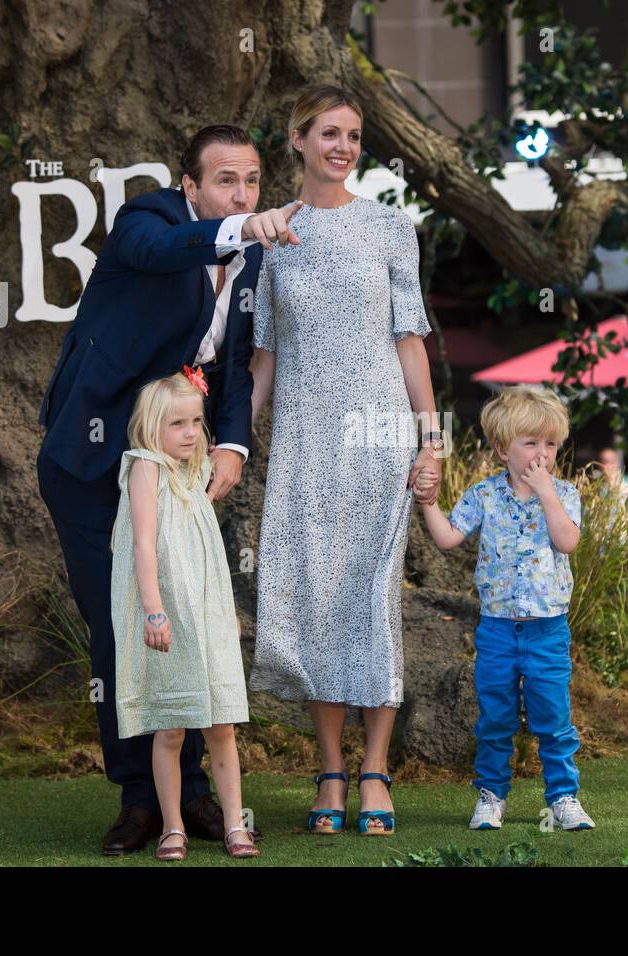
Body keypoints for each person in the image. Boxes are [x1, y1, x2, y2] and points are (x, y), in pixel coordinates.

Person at [36, 123, 297, 854]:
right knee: (121, 629)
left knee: (184, 620)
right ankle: (140, 800)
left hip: (177, 471)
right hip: (89, 464)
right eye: (224, 180)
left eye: (250, 182)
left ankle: (196, 800)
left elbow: (237, 360)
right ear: (192, 187)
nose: (240, 193)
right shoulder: (148, 221)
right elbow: (163, 253)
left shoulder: (248, 260)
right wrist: (240, 226)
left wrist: (235, 445)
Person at [247, 85, 441, 836]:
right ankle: (329, 768)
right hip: (302, 443)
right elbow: (263, 358)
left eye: (354, 135)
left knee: (372, 602)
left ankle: (375, 770)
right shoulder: (270, 238)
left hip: (379, 436)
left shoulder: (392, 228)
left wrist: (433, 442)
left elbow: (410, 340)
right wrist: (232, 443)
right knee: (313, 603)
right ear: (296, 141)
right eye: (329, 133)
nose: (344, 146)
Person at [415, 385, 593, 831]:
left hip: (547, 630)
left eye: (551, 444)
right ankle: (491, 795)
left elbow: (567, 541)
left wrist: (546, 493)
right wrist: (428, 503)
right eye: (530, 442)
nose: (542, 453)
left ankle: (563, 798)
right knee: (495, 716)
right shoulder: (484, 495)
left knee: (552, 717)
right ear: (501, 449)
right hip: (497, 629)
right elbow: (448, 537)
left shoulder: (565, 495)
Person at [110, 371, 258, 860]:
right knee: (171, 726)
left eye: (196, 421)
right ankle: (172, 825)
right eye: (178, 423)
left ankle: (236, 824)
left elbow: (206, 553)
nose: (191, 432)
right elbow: (145, 546)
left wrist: (225, 610)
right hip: (169, 615)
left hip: (205, 613)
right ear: (153, 427)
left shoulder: (194, 475)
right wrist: (153, 610)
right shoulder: (145, 468)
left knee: (221, 724)